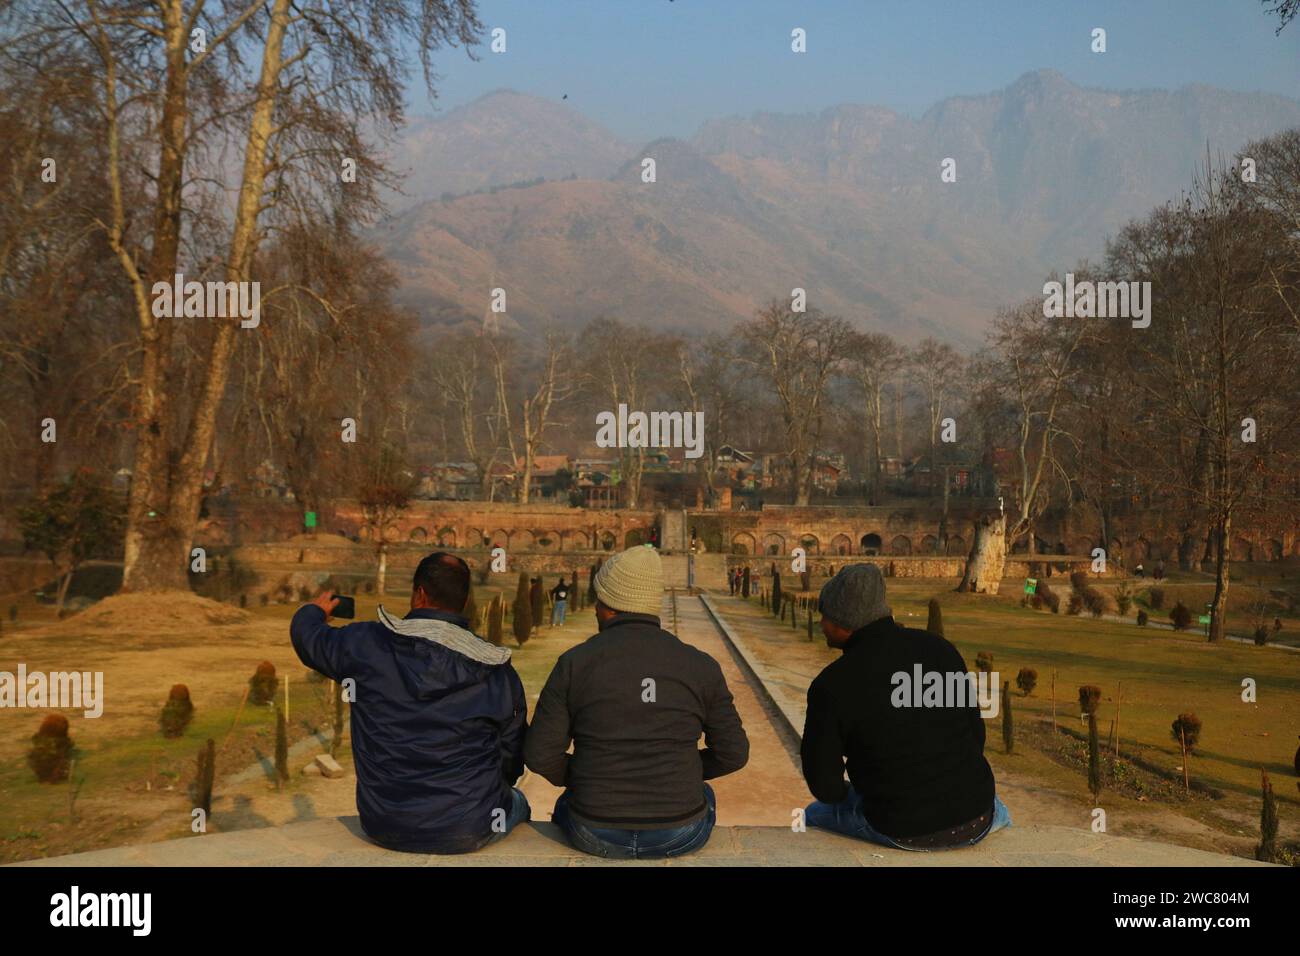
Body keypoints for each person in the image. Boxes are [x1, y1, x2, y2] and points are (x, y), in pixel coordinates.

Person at [290, 552, 529, 854]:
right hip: (468, 825)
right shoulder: (495, 669)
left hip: (384, 822)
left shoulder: (367, 644)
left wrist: (313, 611)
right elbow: (511, 754)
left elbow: (308, 639)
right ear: (465, 600)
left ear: (419, 594)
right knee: (519, 802)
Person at [526, 545, 749, 859]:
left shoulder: (575, 663)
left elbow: (539, 755)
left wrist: (590, 774)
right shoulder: (699, 665)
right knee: (703, 795)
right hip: (678, 833)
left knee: (569, 802)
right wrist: (678, 772)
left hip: (593, 830)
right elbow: (734, 753)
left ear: (608, 605)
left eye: (598, 601)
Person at [800, 563, 1010, 851]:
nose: (821, 623)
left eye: (825, 616)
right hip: (978, 815)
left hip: (900, 827)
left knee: (813, 813)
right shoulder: (940, 650)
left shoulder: (832, 684)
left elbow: (825, 786)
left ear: (845, 622)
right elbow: (976, 734)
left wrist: (871, 790)